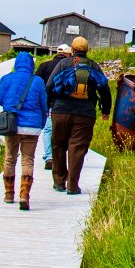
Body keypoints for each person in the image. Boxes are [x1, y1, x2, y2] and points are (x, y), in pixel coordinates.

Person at [46, 36, 110, 196]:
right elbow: (104, 89)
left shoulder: (63, 63)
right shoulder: (93, 66)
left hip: (60, 111)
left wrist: (47, 107)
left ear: (72, 50)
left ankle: (59, 181)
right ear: (87, 51)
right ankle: (72, 185)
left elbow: (49, 86)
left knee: (58, 144)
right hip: (85, 113)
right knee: (78, 147)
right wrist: (106, 111)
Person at [0, 49, 48, 209]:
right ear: (31, 65)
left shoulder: (7, 79)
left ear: (16, 64)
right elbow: (43, 104)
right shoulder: (37, 81)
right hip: (32, 127)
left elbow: (0, 99)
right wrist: (41, 123)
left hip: (12, 125)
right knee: (27, 160)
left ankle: (9, 195)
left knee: (10, 158)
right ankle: (24, 195)